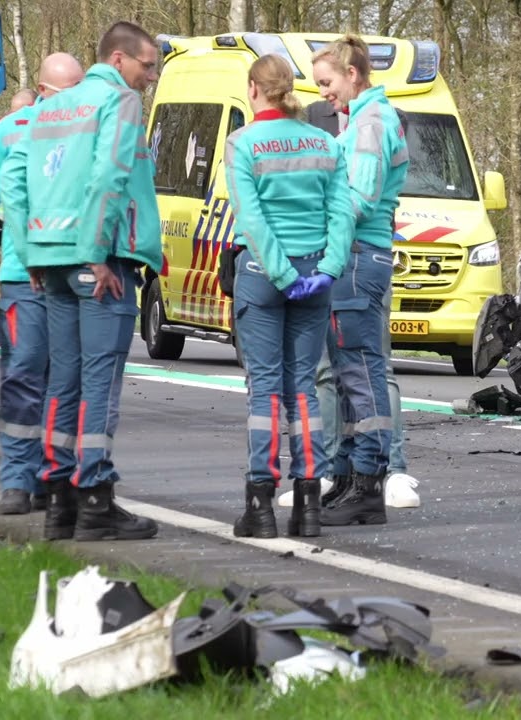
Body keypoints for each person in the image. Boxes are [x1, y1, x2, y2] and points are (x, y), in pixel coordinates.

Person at [0, 21, 163, 542]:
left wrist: (28, 251)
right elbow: (108, 177)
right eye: (147, 66)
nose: (151, 77)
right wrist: (95, 255)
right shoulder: (119, 101)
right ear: (118, 59)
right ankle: (95, 498)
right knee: (98, 383)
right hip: (100, 261)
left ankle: (59, 501)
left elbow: (15, 183)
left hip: (49, 259)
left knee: (62, 383)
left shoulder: (49, 107)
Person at [225, 55, 353, 539]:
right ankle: (308, 505)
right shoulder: (325, 143)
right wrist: (328, 269)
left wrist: (279, 273)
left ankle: (260, 504)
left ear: (254, 89)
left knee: (264, 389)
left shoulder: (242, 143)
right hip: (314, 275)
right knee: (304, 389)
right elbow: (341, 213)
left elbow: (251, 218)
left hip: (264, 275)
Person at [0, 54, 85, 516]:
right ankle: (17, 479)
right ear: (42, 89)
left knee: (64, 381)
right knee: (23, 376)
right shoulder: (10, 130)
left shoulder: (89, 127)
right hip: (21, 275)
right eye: (65, 91)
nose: (73, 99)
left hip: (70, 272)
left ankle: (53, 478)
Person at [310, 35, 410, 526]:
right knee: (351, 374)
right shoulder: (363, 120)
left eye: (326, 82)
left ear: (352, 74)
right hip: (355, 257)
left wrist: (315, 233)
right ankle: (351, 477)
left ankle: (368, 482)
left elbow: (360, 198)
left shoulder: (370, 123)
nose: (323, 93)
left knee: (360, 372)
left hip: (354, 259)